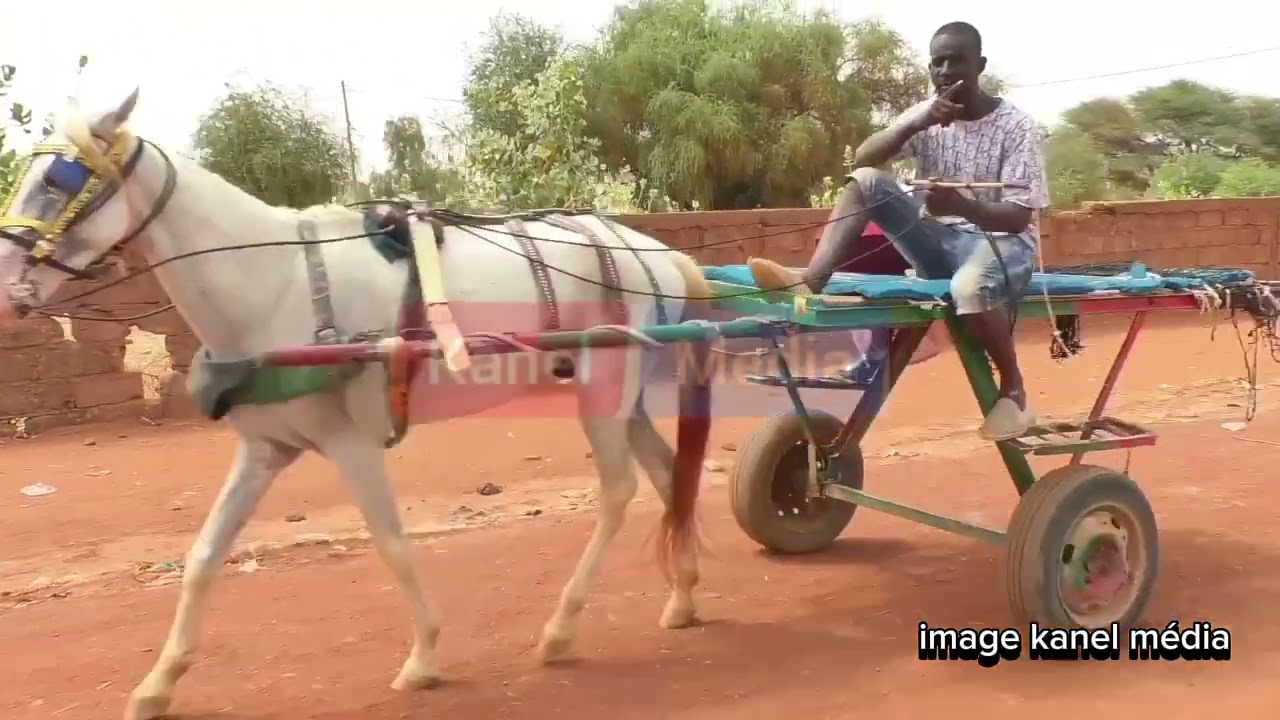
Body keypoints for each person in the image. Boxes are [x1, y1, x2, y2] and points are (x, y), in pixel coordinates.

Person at [750, 20, 1049, 440]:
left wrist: (963, 205)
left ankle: (1014, 390)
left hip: (1001, 243)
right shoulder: (927, 113)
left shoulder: (1016, 125)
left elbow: (1019, 216)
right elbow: (861, 159)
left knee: (968, 288)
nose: (945, 71)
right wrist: (915, 123)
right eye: (937, 63)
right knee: (868, 180)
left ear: (979, 65)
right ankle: (810, 281)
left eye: (956, 61)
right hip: (940, 242)